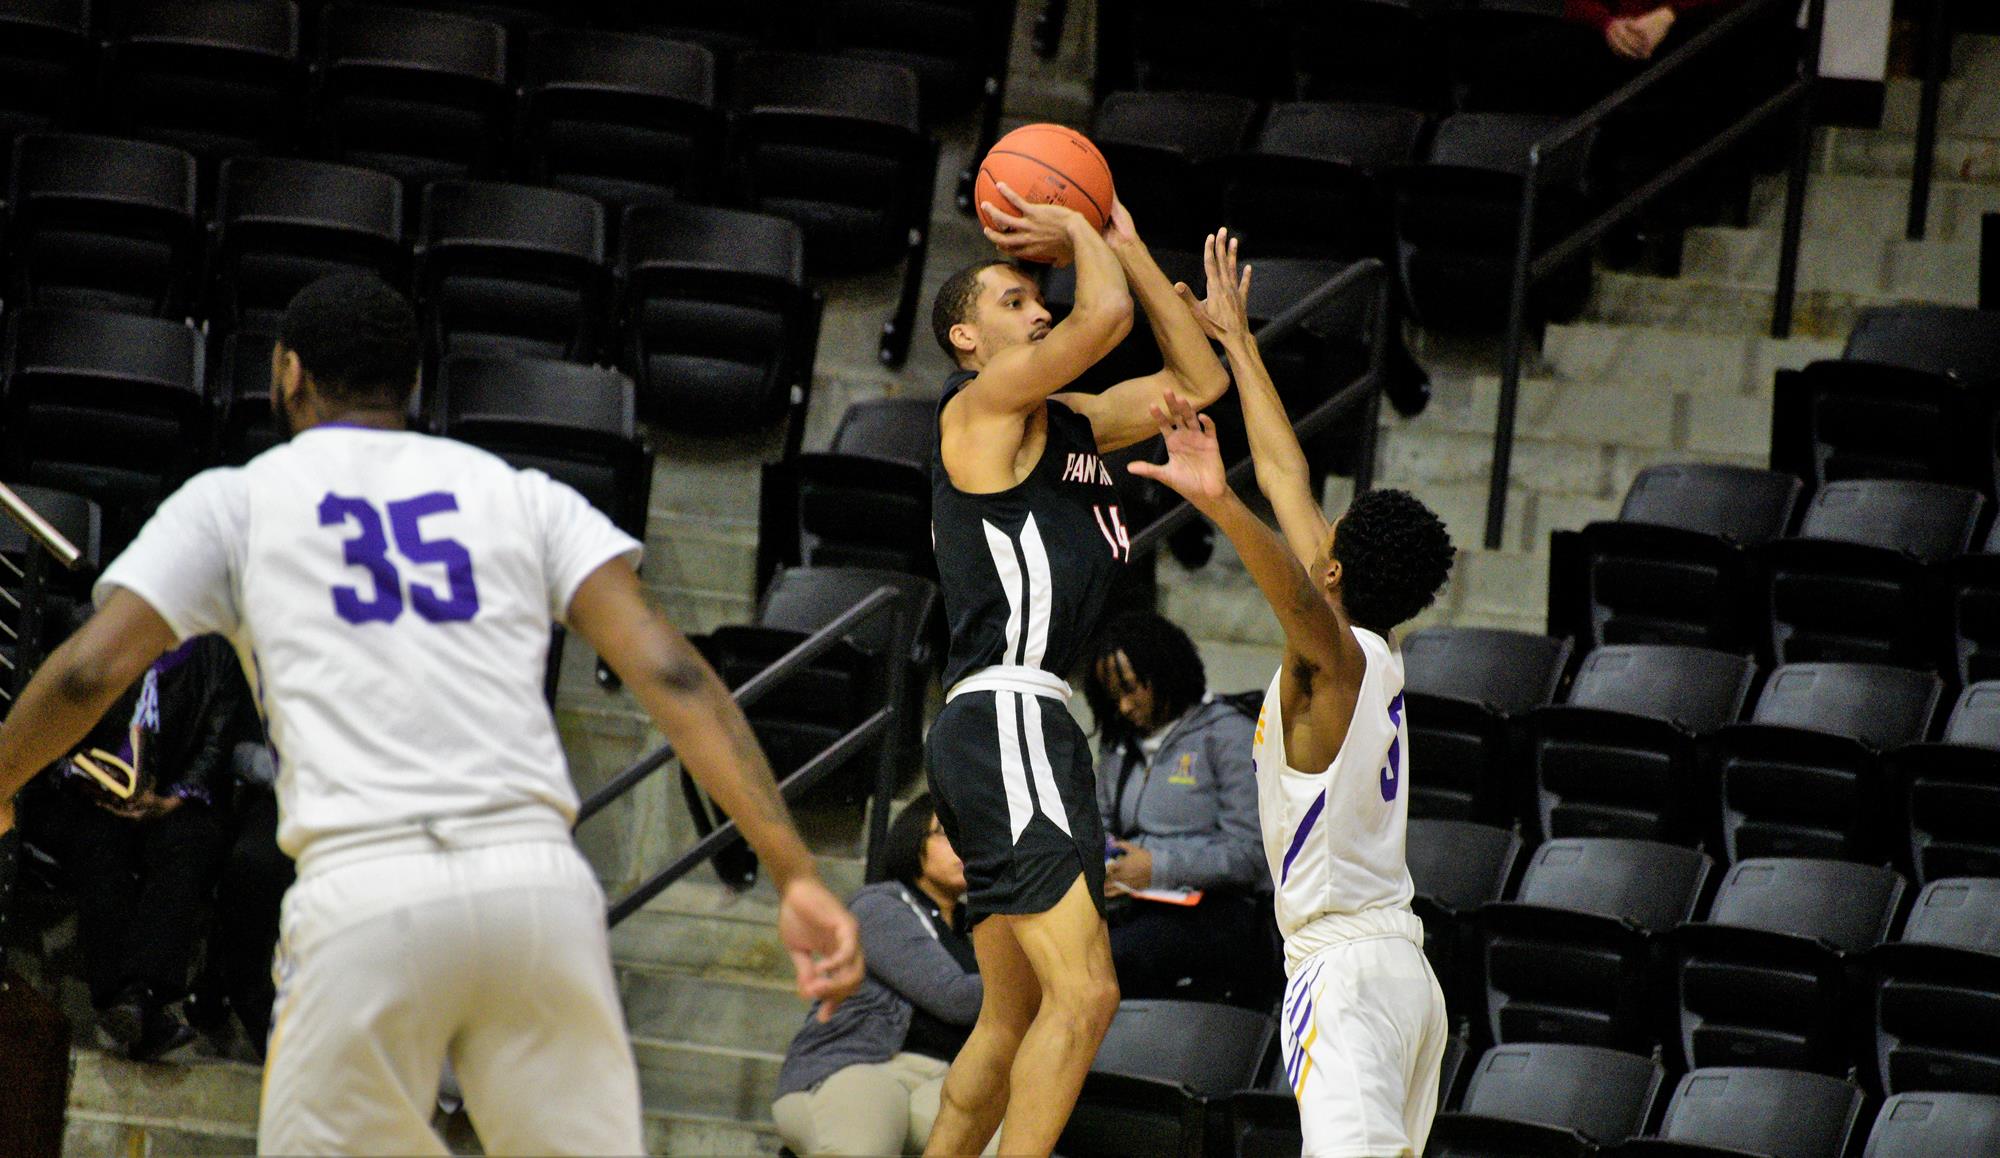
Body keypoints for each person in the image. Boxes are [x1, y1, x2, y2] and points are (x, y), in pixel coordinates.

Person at [0, 272, 863, 1156]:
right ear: (412, 385)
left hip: (366, 890)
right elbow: (677, 676)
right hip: (537, 891)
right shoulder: (518, 493)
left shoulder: (239, 498)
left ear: (287, 374)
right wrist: (793, 870)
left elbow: (87, 674)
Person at [920, 183, 1231, 1157]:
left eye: (1035, 296)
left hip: (1028, 723)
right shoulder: (978, 411)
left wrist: (1128, 241)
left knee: (1008, 1018)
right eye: (1011, 302)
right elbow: (1101, 316)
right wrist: (1080, 229)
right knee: (1087, 990)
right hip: (1006, 712)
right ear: (965, 339)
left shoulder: (1076, 425)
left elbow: (1198, 379)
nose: (1038, 309)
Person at [1132, 231, 1456, 1158]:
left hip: (1345, 973)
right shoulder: (1379, 650)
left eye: (1330, 537)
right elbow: (1287, 474)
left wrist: (1218, 503)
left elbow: (1290, 579)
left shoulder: (1337, 661)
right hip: (1401, 971)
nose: (1316, 534)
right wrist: (1238, 345)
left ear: (1337, 566)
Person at [23, 629, 255, 1061]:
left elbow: (215, 742)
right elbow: (53, 725)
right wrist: (90, 780)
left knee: (191, 842)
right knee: (97, 843)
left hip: (170, 796)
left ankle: (137, 996)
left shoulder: (214, 654)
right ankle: (134, 1003)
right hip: (93, 796)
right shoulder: (96, 638)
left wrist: (171, 799)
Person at [772, 795, 995, 1157]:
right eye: (948, 833)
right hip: (863, 1066)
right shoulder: (878, 906)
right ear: (912, 840)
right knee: (863, 1145)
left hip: (946, 1081)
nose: (966, 847)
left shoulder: (978, 928)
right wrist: (1037, 971)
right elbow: (956, 998)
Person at [1081, 611, 1273, 1004]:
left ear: (1166, 670)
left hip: (1218, 908)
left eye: (1132, 688)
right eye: (1112, 695)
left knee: (1111, 959)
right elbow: (1099, 824)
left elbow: (1252, 855)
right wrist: (1102, 863)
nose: (1124, 706)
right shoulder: (1118, 745)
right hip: (1134, 900)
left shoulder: (1227, 733)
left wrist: (1157, 868)